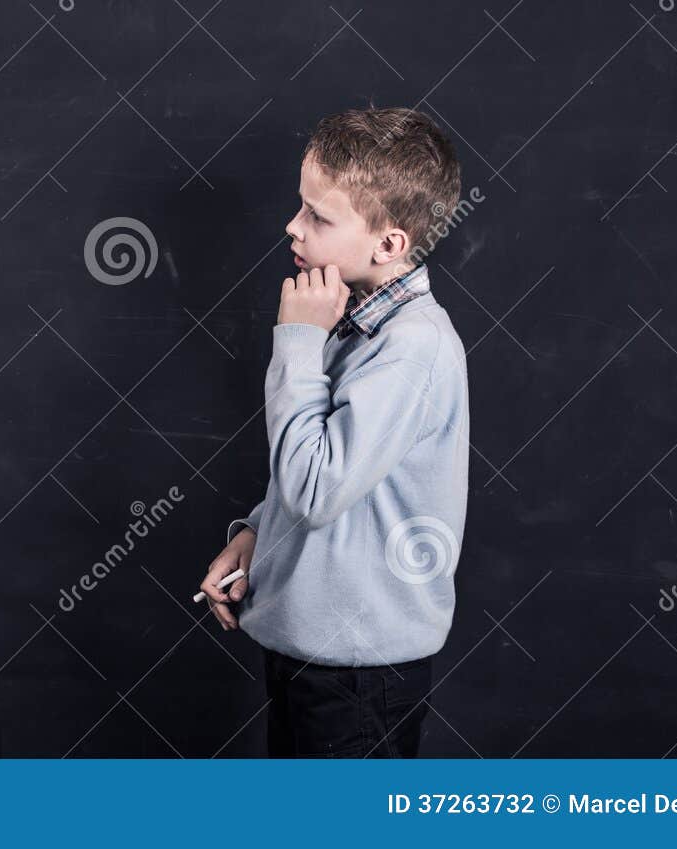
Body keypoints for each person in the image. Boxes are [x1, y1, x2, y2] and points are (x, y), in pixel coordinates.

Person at [201, 106, 471, 757]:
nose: (292, 226)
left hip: (359, 671)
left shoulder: (411, 346)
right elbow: (330, 463)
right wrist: (257, 532)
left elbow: (318, 490)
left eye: (318, 217)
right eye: (301, 205)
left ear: (389, 245)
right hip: (313, 648)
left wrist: (297, 340)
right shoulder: (352, 315)